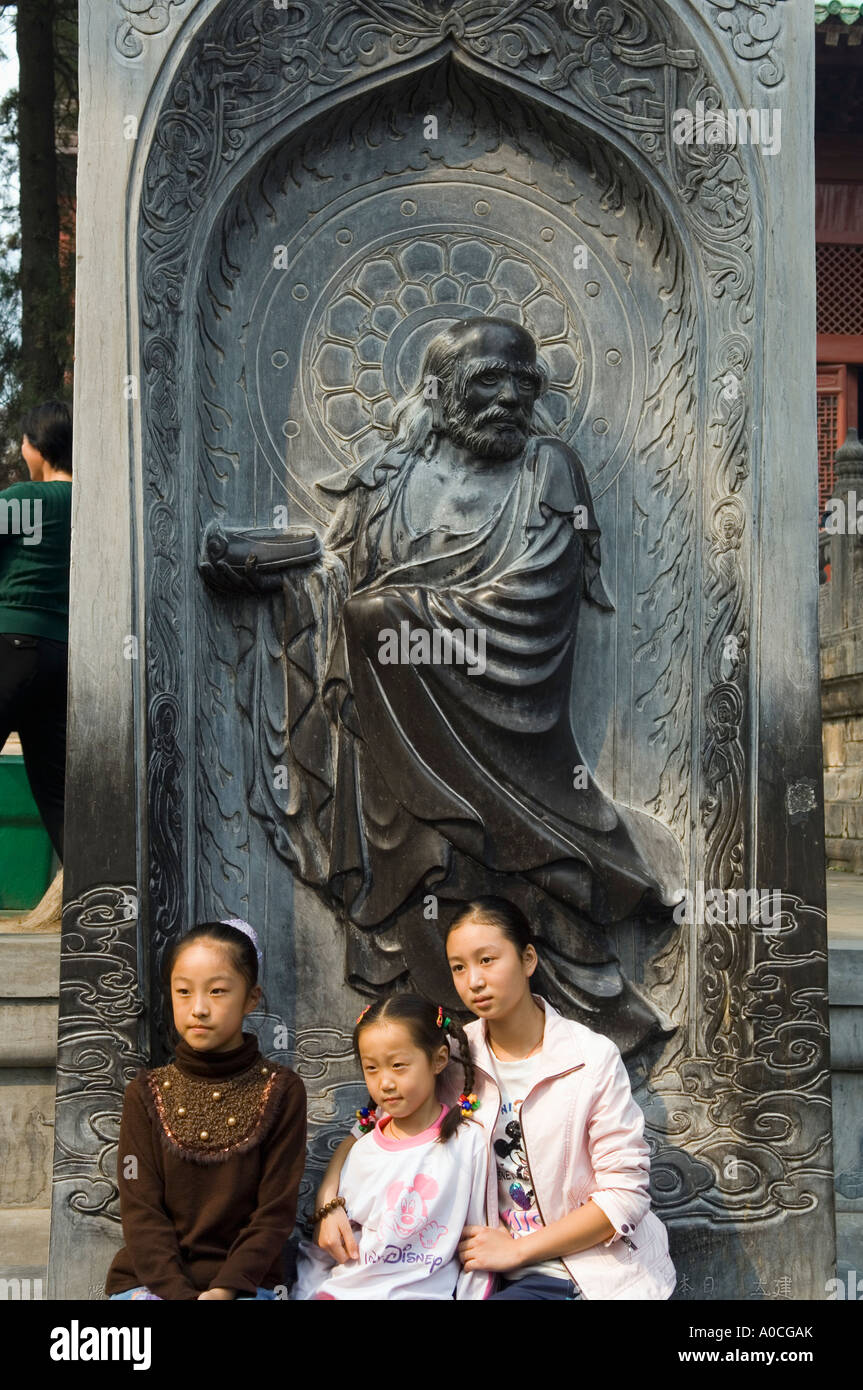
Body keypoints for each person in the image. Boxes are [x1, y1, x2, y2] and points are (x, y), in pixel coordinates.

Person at [314, 897, 676, 1301]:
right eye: (458, 967)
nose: (474, 981)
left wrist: (518, 1249)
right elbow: (366, 1127)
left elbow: (625, 1195)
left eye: (487, 960)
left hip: (578, 1270)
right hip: (472, 1275)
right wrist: (329, 1204)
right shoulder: (452, 1057)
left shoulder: (590, 1058)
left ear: (527, 960)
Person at [105, 919, 307, 1300]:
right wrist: (180, 1294)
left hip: (246, 1283)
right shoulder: (145, 1093)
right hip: (153, 1282)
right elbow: (141, 1210)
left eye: (217, 991)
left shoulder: (281, 1090)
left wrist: (225, 1289)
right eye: (183, 992)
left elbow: (275, 1211)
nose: (198, 1008)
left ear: (252, 997)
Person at [294, 994, 490, 1300]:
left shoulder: (467, 1144)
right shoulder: (362, 1151)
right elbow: (328, 1248)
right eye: (372, 1068)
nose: (385, 1082)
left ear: (438, 1060)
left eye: (398, 1066)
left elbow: (479, 1245)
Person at [0, 400, 73, 858]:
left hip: (10, 647)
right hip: (62, 658)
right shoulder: (95, 506)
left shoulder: (24, 502)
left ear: (35, 448)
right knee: (61, 799)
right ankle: (102, 911)